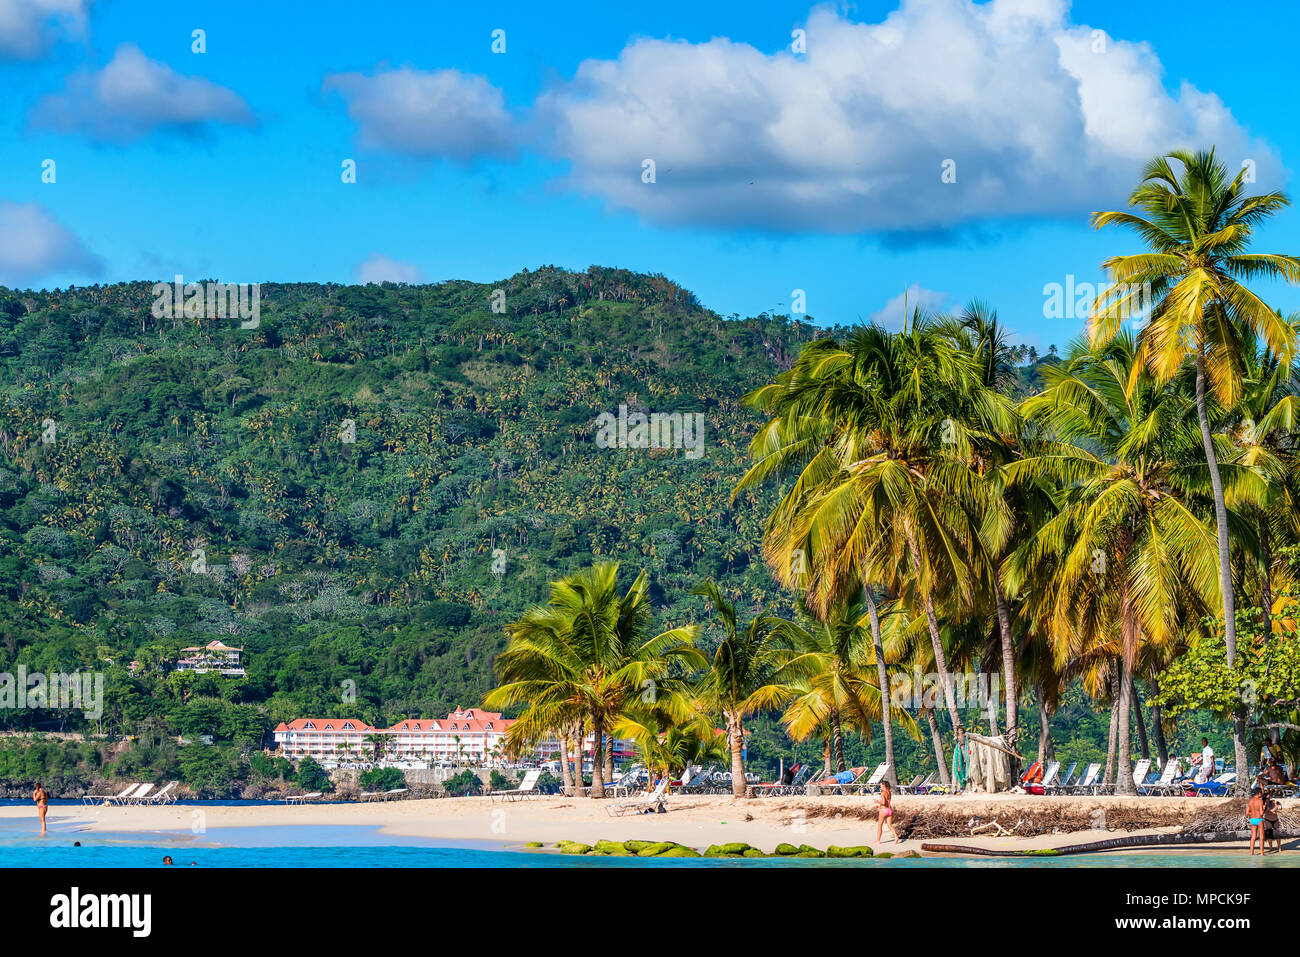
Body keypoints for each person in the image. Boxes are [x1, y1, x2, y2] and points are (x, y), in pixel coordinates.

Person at [1263, 790, 1282, 854]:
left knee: (1277, 834)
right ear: (1265, 798)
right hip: (1268, 820)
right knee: (1269, 834)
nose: (1269, 799)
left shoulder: (1273, 802)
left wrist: (1278, 805)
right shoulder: (1264, 805)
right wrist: (1275, 808)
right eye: (1267, 798)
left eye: (1269, 797)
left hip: (1275, 819)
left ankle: (1279, 848)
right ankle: (1271, 847)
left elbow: (1280, 808)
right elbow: (1269, 812)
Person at [1247, 786, 1265, 856]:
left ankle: (1251, 853)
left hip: (1252, 819)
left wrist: (1253, 813)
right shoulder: (1260, 801)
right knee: (1261, 837)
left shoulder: (1250, 801)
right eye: (1261, 793)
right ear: (1259, 793)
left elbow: (1247, 812)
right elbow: (1261, 813)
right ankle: (1261, 853)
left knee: (1253, 836)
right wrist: (1263, 809)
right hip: (1259, 819)